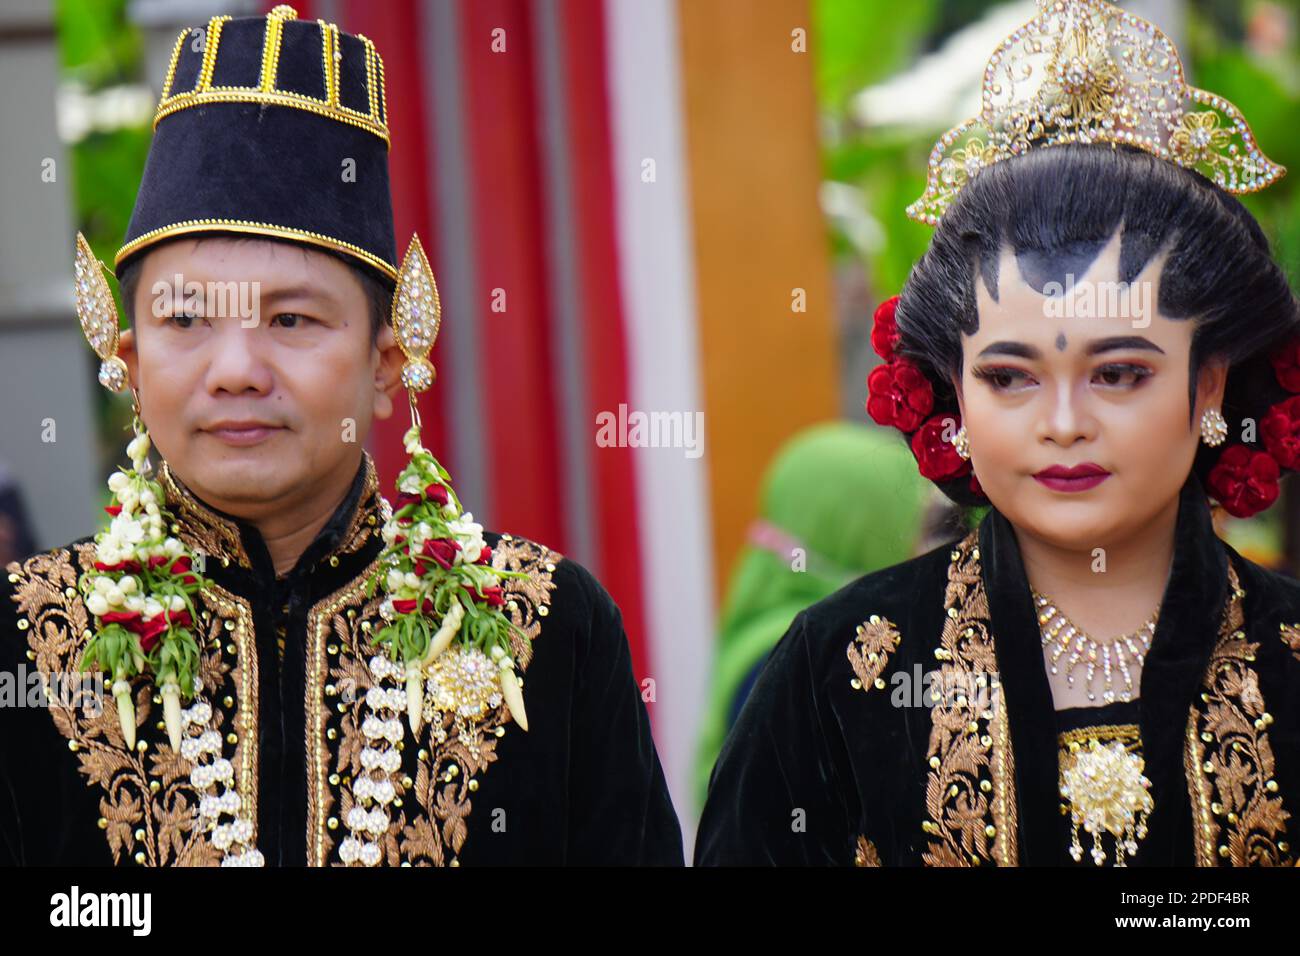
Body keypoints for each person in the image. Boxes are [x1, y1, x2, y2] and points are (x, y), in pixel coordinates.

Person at [0, 4, 681, 867]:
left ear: (389, 360)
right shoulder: (27, 640)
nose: (237, 368)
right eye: (187, 320)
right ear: (129, 358)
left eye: (291, 319)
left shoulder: (548, 630)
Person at [695, 0, 1300, 866]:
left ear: (1208, 383)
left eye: (1119, 373)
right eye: (1009, 378)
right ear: (954, 394)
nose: (1062, 425)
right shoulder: (839, 676)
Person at [692, 422, 931, 813]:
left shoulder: (769, 629)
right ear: (858, 534)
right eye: (913, 528)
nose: (922, 549)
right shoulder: (805, 652)